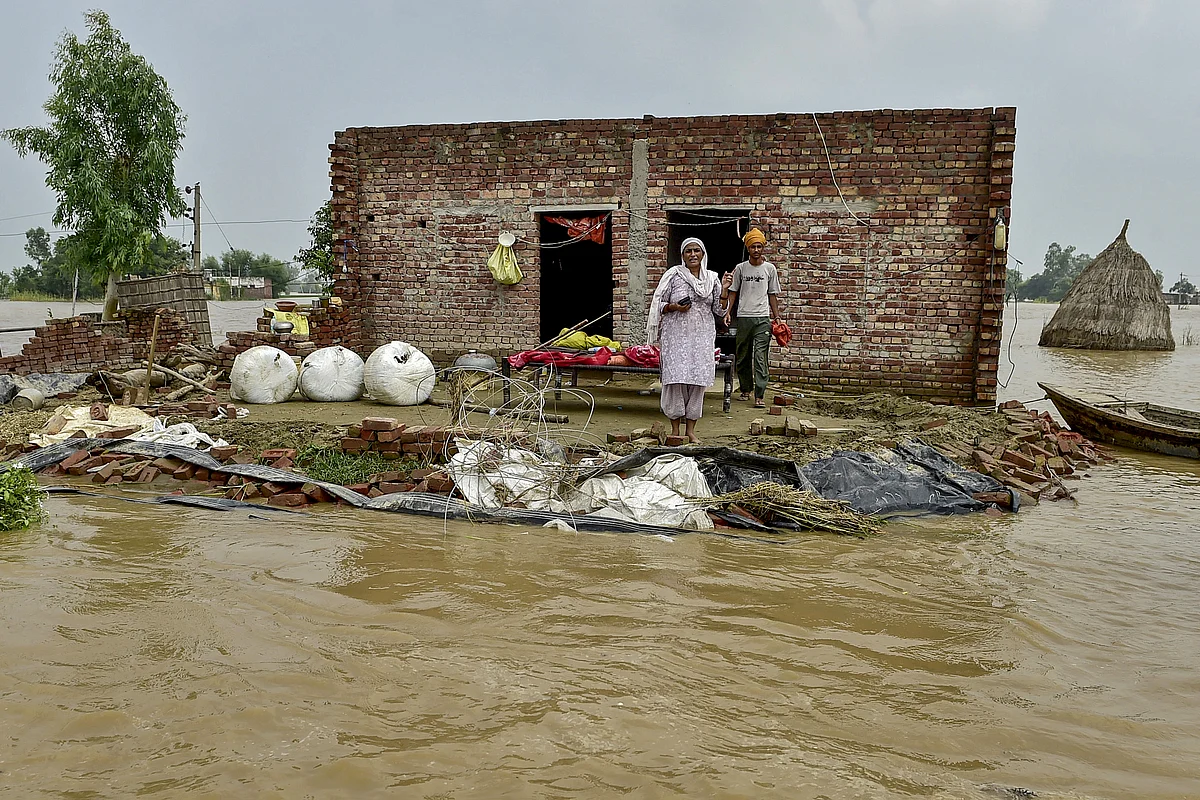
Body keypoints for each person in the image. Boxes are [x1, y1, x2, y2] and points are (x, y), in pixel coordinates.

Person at [647, 237, 726, 443]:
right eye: (688, 251)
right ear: (682, 256)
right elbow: (658, 304)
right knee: (676, 379)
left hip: (702, 336)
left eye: (697, 251)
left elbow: (719, 309)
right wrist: (675, 307)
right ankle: (675, 430)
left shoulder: (712, 279)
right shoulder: (673, 276)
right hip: (676, 337)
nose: (693, 254)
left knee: (697, 381)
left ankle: (691, 431)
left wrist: (725, 290)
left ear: (703, 255)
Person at [723, 227, 781, 408]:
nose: (756, 250)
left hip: (762, 318)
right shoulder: (740, 269)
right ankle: (745, 389)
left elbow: (772, 294)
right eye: (753, 247)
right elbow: (733, 292)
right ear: (748, 248)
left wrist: (777, 317)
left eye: (759, 246)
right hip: (744, 317)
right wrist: (727, 312)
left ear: (763, 247)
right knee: (743, 355)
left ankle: (760, 394)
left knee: (760, 356)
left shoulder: (770, 269)